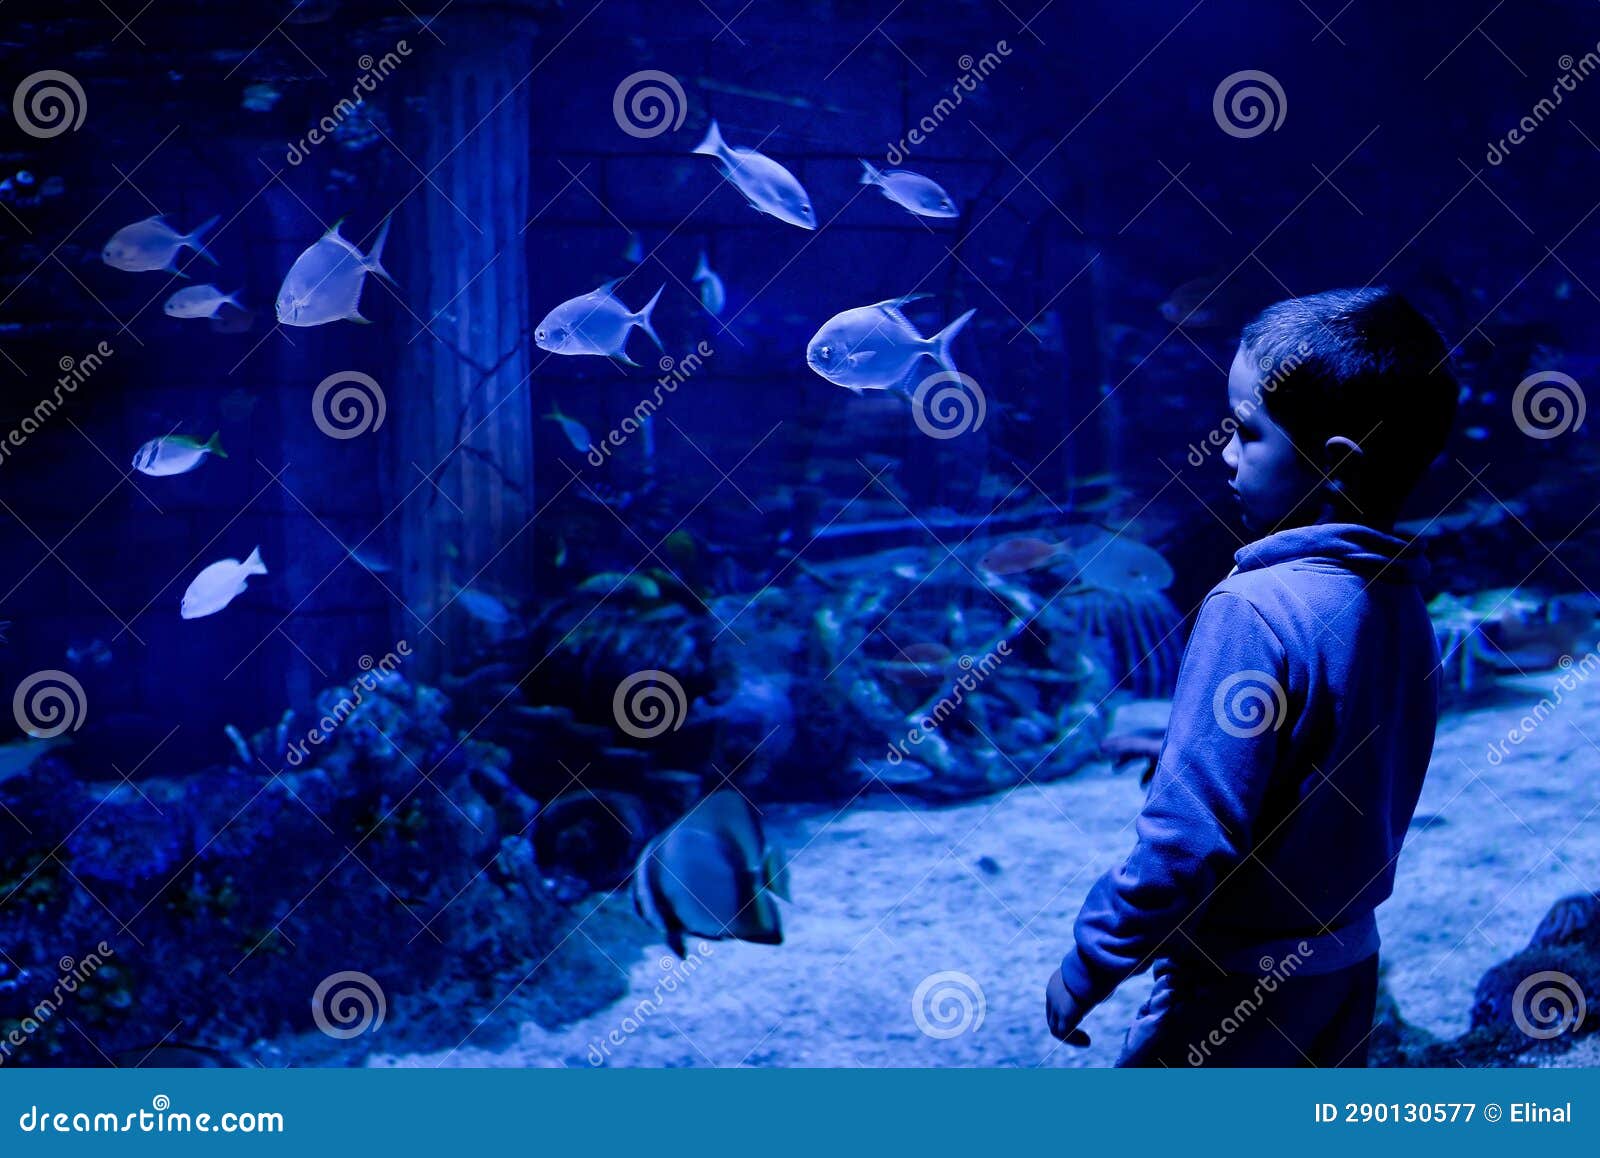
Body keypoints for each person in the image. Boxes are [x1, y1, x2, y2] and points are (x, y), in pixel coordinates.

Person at [1046, 287, 1459, 1066]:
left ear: (1334, 463)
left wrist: (1094, 958)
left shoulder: (1254, 608)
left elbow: (1188, 839)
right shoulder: (1399, 599)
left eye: (1246, 433)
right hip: (1344, 968)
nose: (1226, 454)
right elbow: (1320, 763)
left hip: (1231, 984)